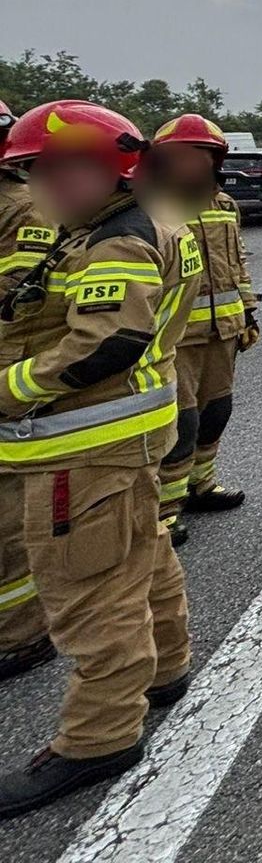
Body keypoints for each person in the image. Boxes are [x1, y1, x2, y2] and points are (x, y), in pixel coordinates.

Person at [0, 102, 194, 818]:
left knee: (91, 594)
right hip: (121, 439)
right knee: (143, 556)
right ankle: (166, 669)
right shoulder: (114, 226)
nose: (44, 184)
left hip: (83, 446)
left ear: (111, 168)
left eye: (61, 169)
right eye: (33, 170)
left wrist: (10, 390)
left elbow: (107, 342)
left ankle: (98, 737)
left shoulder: (118, 242)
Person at [141, 114, 257, 543]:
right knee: (180, 423)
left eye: (200, 156)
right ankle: (165, 510)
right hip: (174, 339)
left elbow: (237, 263)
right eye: (181, 156)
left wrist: (247, 312)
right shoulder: (148, 209)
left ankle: (201, 484)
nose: (191, 164)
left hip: (222, 331)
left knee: (216, 412)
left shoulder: (224, 205)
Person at [0, 100, 56, 682]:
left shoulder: (25, 208)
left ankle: (22, 633)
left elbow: (20, 291)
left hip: (10, 369)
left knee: (9, 511)